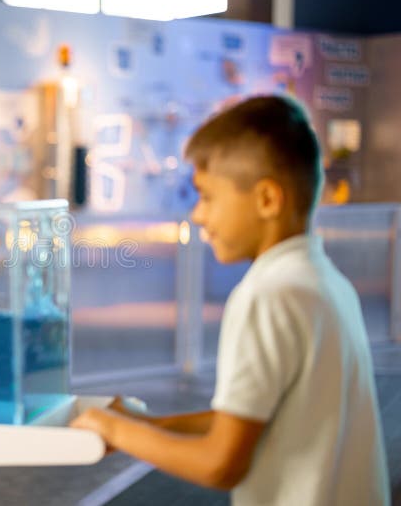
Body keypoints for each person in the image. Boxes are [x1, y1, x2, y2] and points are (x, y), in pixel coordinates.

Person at [71, 95, 390, 505]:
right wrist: (151, 423)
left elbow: (221, 463)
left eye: (207, 196)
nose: (199, 215)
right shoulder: (322, 280)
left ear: (267, 200)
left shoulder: (267, 295)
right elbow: (248, 422)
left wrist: (114, 430)